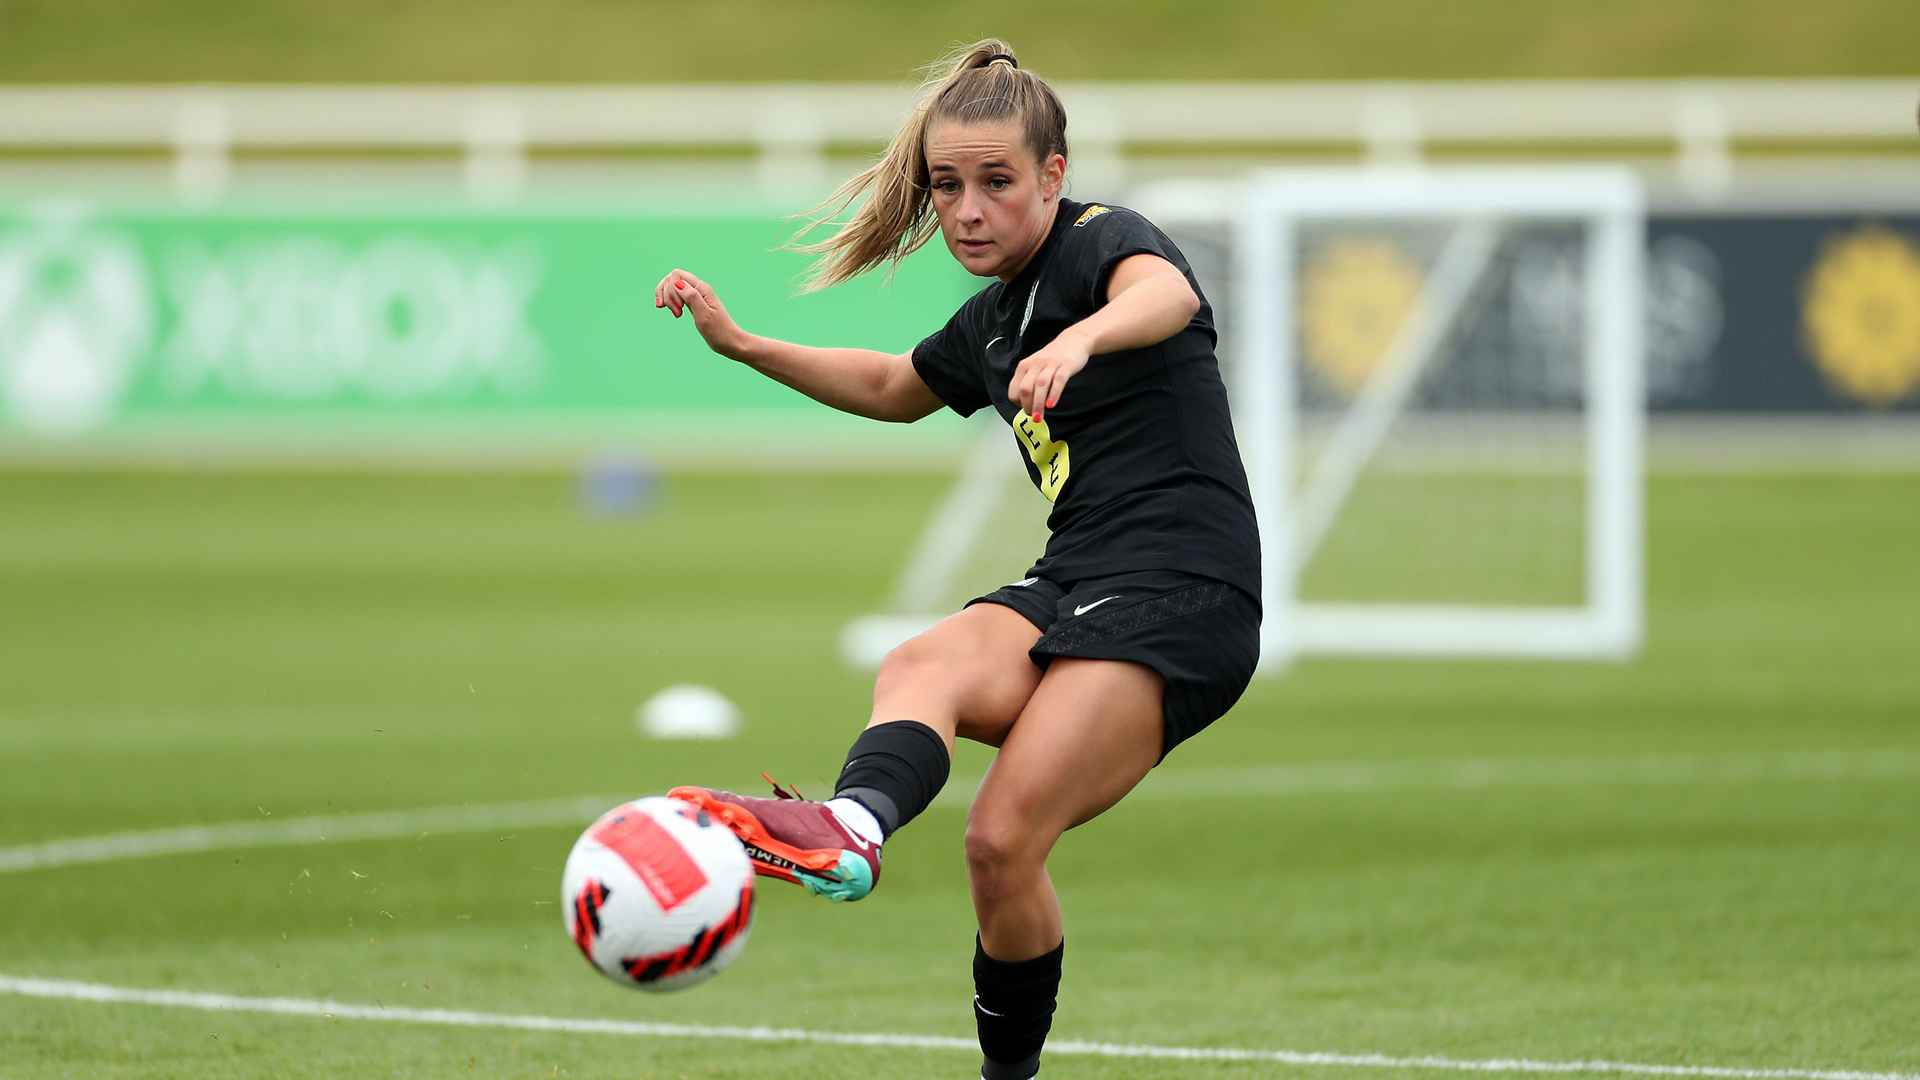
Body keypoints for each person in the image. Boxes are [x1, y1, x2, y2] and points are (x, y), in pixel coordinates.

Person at [652, 39, 1261, 1080]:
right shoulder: (991, 317)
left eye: (996, 182)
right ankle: (851, 828)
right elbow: (894, 385)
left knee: (1001, 832)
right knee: (925, 669)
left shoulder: (1102, 243)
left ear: (1054, 177)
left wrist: (1086, 339)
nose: (967, 209)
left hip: (1183, 592)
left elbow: (1163, 296)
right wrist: (746, 345)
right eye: (946, 186)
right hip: (1078, 577)